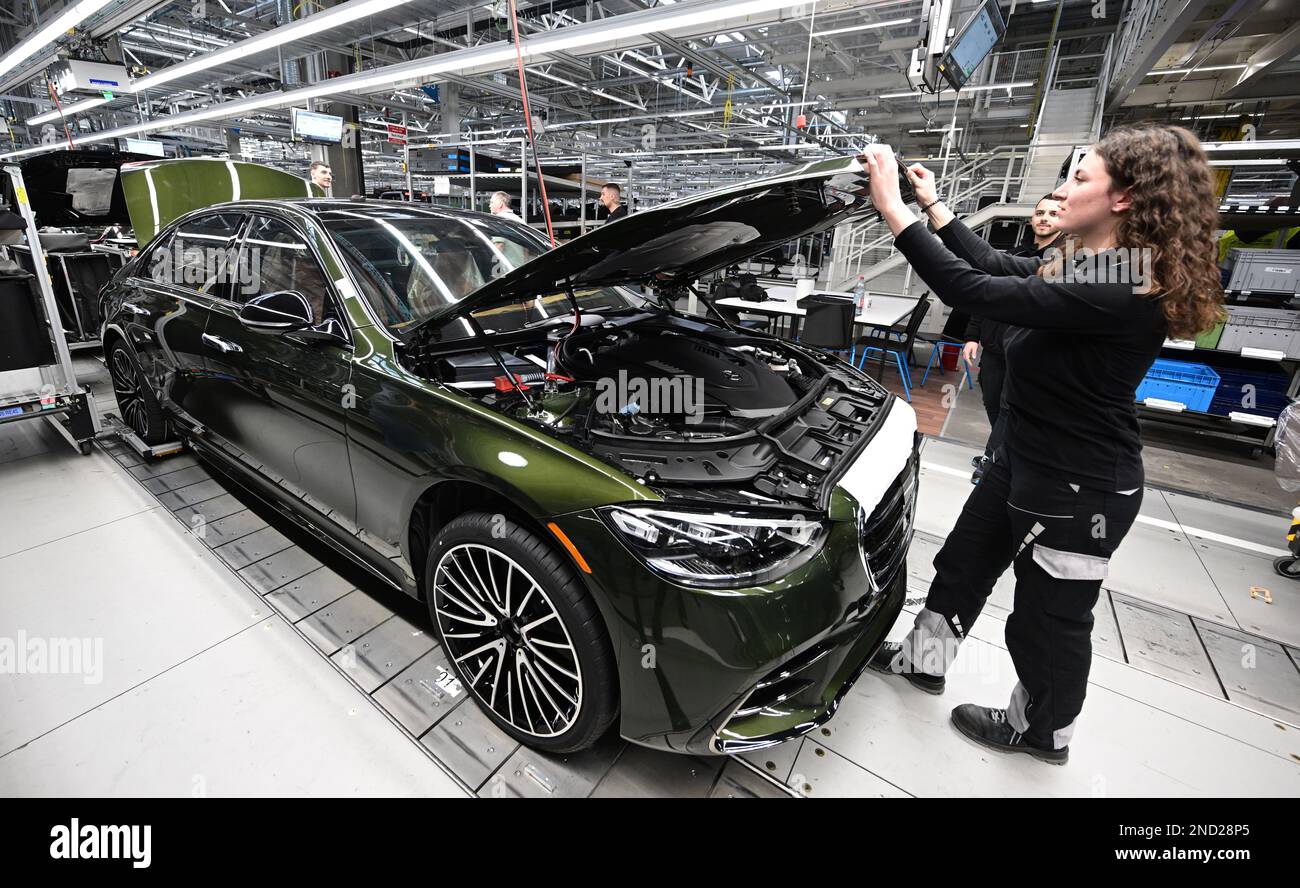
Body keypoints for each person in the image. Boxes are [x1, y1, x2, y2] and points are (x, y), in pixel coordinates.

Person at [860, 125, 1223, 764]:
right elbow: (997, 267)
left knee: (1048, 621)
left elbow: (971, 290)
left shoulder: (1122, 282)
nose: (1063, 189)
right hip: (1020, 459)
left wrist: (892, 210)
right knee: (964, 567)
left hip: (1079, 485)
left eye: (1081, 178)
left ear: (1125, 198)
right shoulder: (1089, 263)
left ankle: (1042, 733)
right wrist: (933, 204)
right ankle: (924, 662)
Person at [963, 195, 1065, 482]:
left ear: (1063, 220)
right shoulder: (1016, 254)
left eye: (1052, 213)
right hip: (995, 348)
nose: (1044, 218)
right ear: (1032, 219)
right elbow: (986, 297)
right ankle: (1004, 451)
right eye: (1040, 213)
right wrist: (972, 336)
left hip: (1028, 352)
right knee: (993, 402)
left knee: (1010, 407)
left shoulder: (1065, 261)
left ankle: (992, 461)